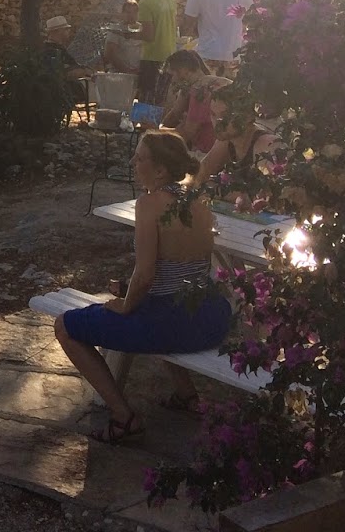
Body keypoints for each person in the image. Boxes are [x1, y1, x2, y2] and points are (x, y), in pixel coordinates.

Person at [54, 131, 231, 442]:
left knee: (65, 326)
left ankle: (124, 417)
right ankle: (187, 396)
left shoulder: (149, 203)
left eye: (140, 157)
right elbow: (181, 270)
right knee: (147, 304)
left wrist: (125, 303)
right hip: (213, 316)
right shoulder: (199, 199)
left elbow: (147, 275)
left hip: (176, 322)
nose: (133, 162)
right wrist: (130, 289)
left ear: (160, 170)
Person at [193, 83, 282, 196]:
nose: (217, 123)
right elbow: (201, 174)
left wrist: (215, 189)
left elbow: (268, 196)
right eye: (213, 114)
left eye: (226, 116)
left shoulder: (266, 145)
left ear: (248, 116)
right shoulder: (227, 138)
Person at [183, 0, 253, 76]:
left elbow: (190, 19)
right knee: (230, 92)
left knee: (206, 93)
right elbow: (249, 13)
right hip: (233, 51)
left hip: (207, 51)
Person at [131, 0, 178, 103]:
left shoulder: (145, 2)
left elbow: (149, 35)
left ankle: (145, 122)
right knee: (162, 95)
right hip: (169, 52)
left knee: (147, 94)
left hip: (152, 55)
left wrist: (130, 35)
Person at [40, 16, 94, 82]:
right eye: (66, 29)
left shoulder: (59, 48)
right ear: (57, 31)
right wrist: (82, 71)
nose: (69, 31)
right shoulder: (50, 51)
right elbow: (61, 73)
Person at [97, 0, 144, 74]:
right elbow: (110, 53)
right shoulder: (115, 30)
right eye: (128, 12)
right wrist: (126, 71)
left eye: (134, 12)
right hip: (119, 73)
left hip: (139, 72)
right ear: (123, 13)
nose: (131, 15)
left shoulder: (143, 30)